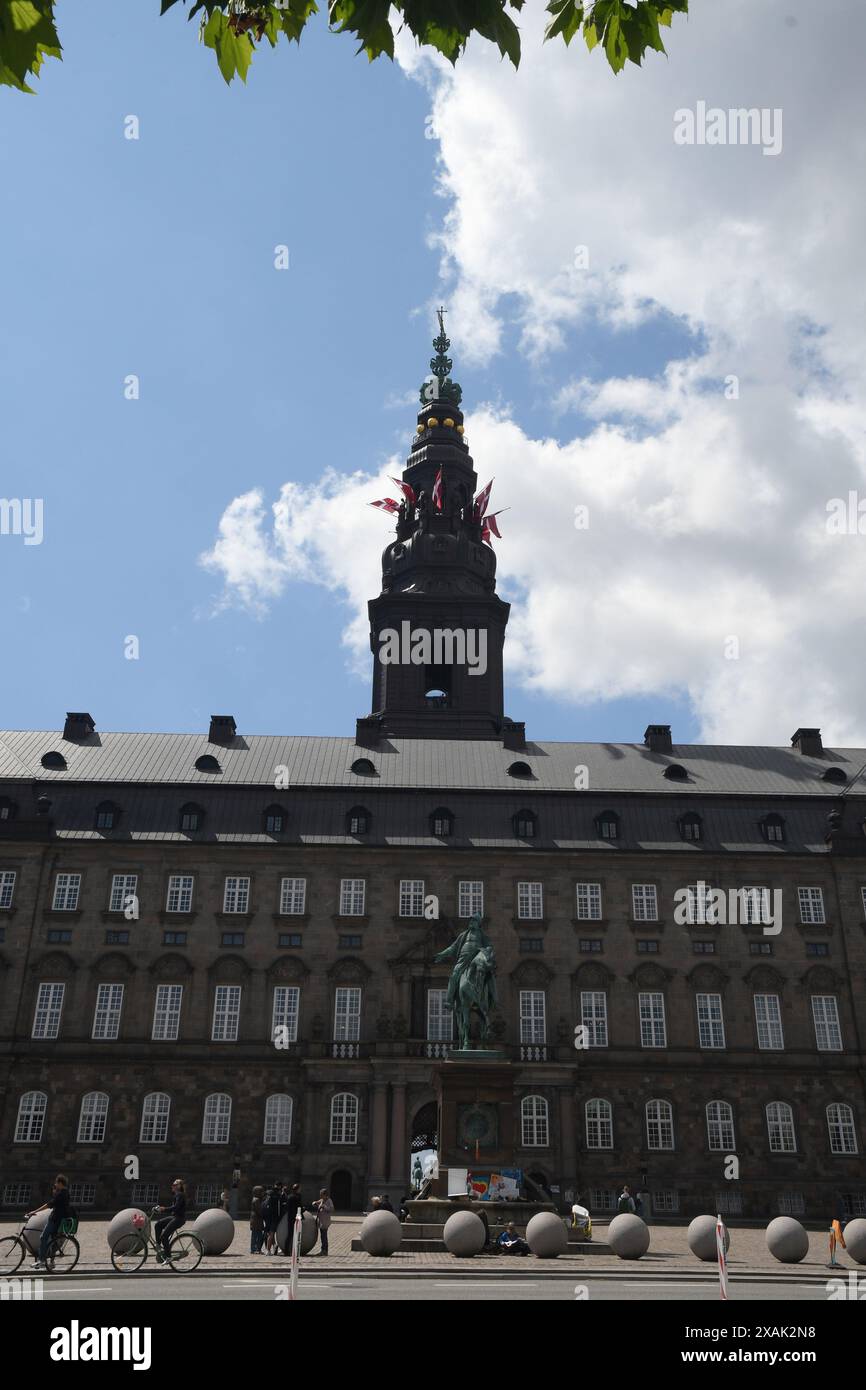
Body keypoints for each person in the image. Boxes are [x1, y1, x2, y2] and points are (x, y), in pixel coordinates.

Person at [29, 1173, 70, 1271]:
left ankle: (42, 1261)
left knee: (43, 1237)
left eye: (56, 1183)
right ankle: (51, 1262)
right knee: (52, 1241)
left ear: (60, 1183)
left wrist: (35, 1211)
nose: (55, 1184)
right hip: (58, 1219)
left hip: (55, 1220)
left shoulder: (62, 1194)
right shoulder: (64, 1192)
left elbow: (49, 1204)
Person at [154, 1178, 186, 1262]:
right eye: (172, 1185)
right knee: (158, 1224)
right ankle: (158, 1245)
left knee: (164, 1236)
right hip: (174, 1217)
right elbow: (173, 1209)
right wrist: (160, 1209)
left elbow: (175, 1208)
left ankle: (168, 1257)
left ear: (179, 1186)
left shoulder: (180, 1195)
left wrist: (163, 1209)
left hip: (179, 1219)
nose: (172, 1186)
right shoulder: (176, 1195)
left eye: (174, 1185)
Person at [281, 1183, 305, 1253]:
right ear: (297, 1189)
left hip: (290, 1217)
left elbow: (287, 1207)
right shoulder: (298, 1197)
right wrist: (304, 1209)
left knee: (290, 1234)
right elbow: (299, 1207)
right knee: (296, 1234)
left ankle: (286, 1250)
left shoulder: (289, 1196)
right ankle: (294, 1250)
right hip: (297, 1217)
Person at [312, 1188, 335, 1255]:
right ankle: (323, 1250)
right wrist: (315, 1203)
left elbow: (332, 1209)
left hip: (325, 1222)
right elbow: (317, 1202)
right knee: (323, 1236)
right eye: (320, 1195)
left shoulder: (329, 1200)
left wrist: (324, 1207)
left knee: (324, 1236)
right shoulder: (322, 1200)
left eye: (321, 1195)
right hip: (321, 1221)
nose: (320, 1196)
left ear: (325, 1195)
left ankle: (324, 1251)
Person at [829, 1193, 848, 1268]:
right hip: (835, 1222)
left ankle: (833, 1260)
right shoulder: (838, 1202)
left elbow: (841, 1213)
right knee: (832, 1241)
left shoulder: (839, 1202)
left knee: (835, 1239)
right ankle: (833, 1260)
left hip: (837, 1222)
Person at [262, 1184, 280, 1254]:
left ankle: (274, 1245)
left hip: (267, 1217)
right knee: (271, 1233)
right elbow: (278, 1209)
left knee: (268, 1233)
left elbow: (262, 1209)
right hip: (273, 1217)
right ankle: (268, 1250)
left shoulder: (265, 1199)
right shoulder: (276, 1198)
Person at [250, 1185, 265, 1254]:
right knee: (257, 1235)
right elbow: (260, 1211)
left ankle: (256, 1248)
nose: (263, 1193)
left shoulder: (256, 1199)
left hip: (256, 1220)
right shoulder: (257, 1200)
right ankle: (254, 1249)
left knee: (257, 1235)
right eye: (261, 1192)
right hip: (256, 1220)